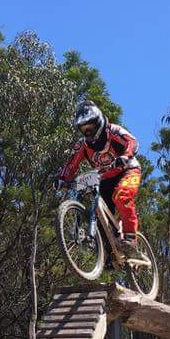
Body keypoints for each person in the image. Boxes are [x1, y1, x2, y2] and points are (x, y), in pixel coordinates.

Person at [54, 100, 142, 258]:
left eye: (90, 126)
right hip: (105, 178)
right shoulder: (83, 145)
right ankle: (108, 254)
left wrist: (125, 156)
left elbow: (132, 142)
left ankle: (131, 238)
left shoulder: (113, 131)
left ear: (99, 121)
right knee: (99, 214)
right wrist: (62, 178)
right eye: (83, 128)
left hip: (128, 170)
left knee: (121, 196)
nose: (87, 131)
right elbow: (71, 164)